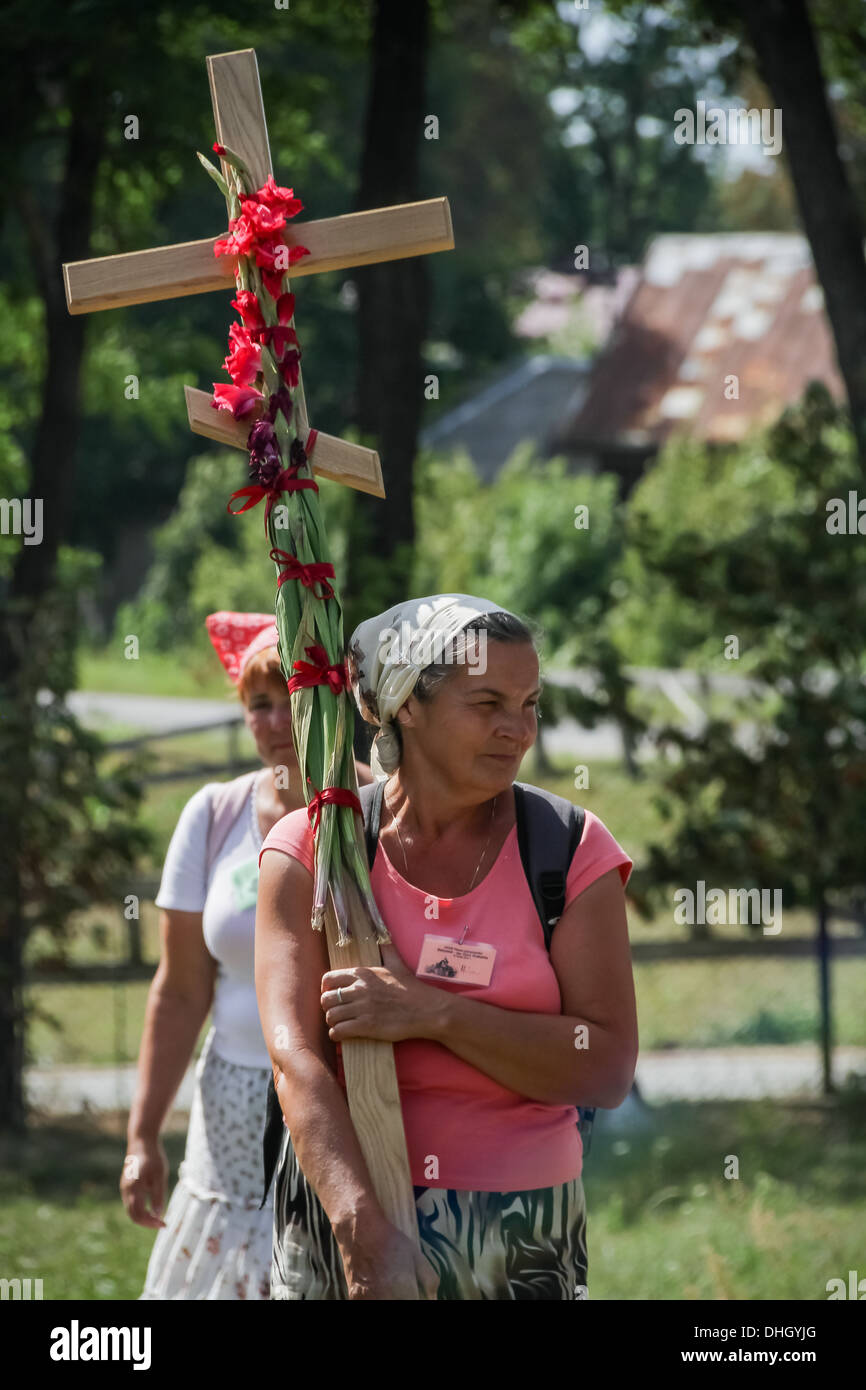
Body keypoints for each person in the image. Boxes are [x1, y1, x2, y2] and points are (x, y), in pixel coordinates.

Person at [255, 593, 638, 1300]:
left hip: (517, 1233)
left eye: (529, 704)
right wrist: (362, 1226)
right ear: (408, 703)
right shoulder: (316, 850)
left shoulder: (568, 850)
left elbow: (606, 1065)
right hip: (344, 1216)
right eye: (487, 702)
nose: (517, 730)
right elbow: (294, 1055)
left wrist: (433, 1012)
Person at [121, 611, 372, 1299]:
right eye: (257, 705)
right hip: (230, 1113)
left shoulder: (376, 812)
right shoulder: (214, 815)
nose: (272, 721)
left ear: (327, 701)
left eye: (290, 699)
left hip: (346, 1102)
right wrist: (143, 1136)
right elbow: (179, 990)